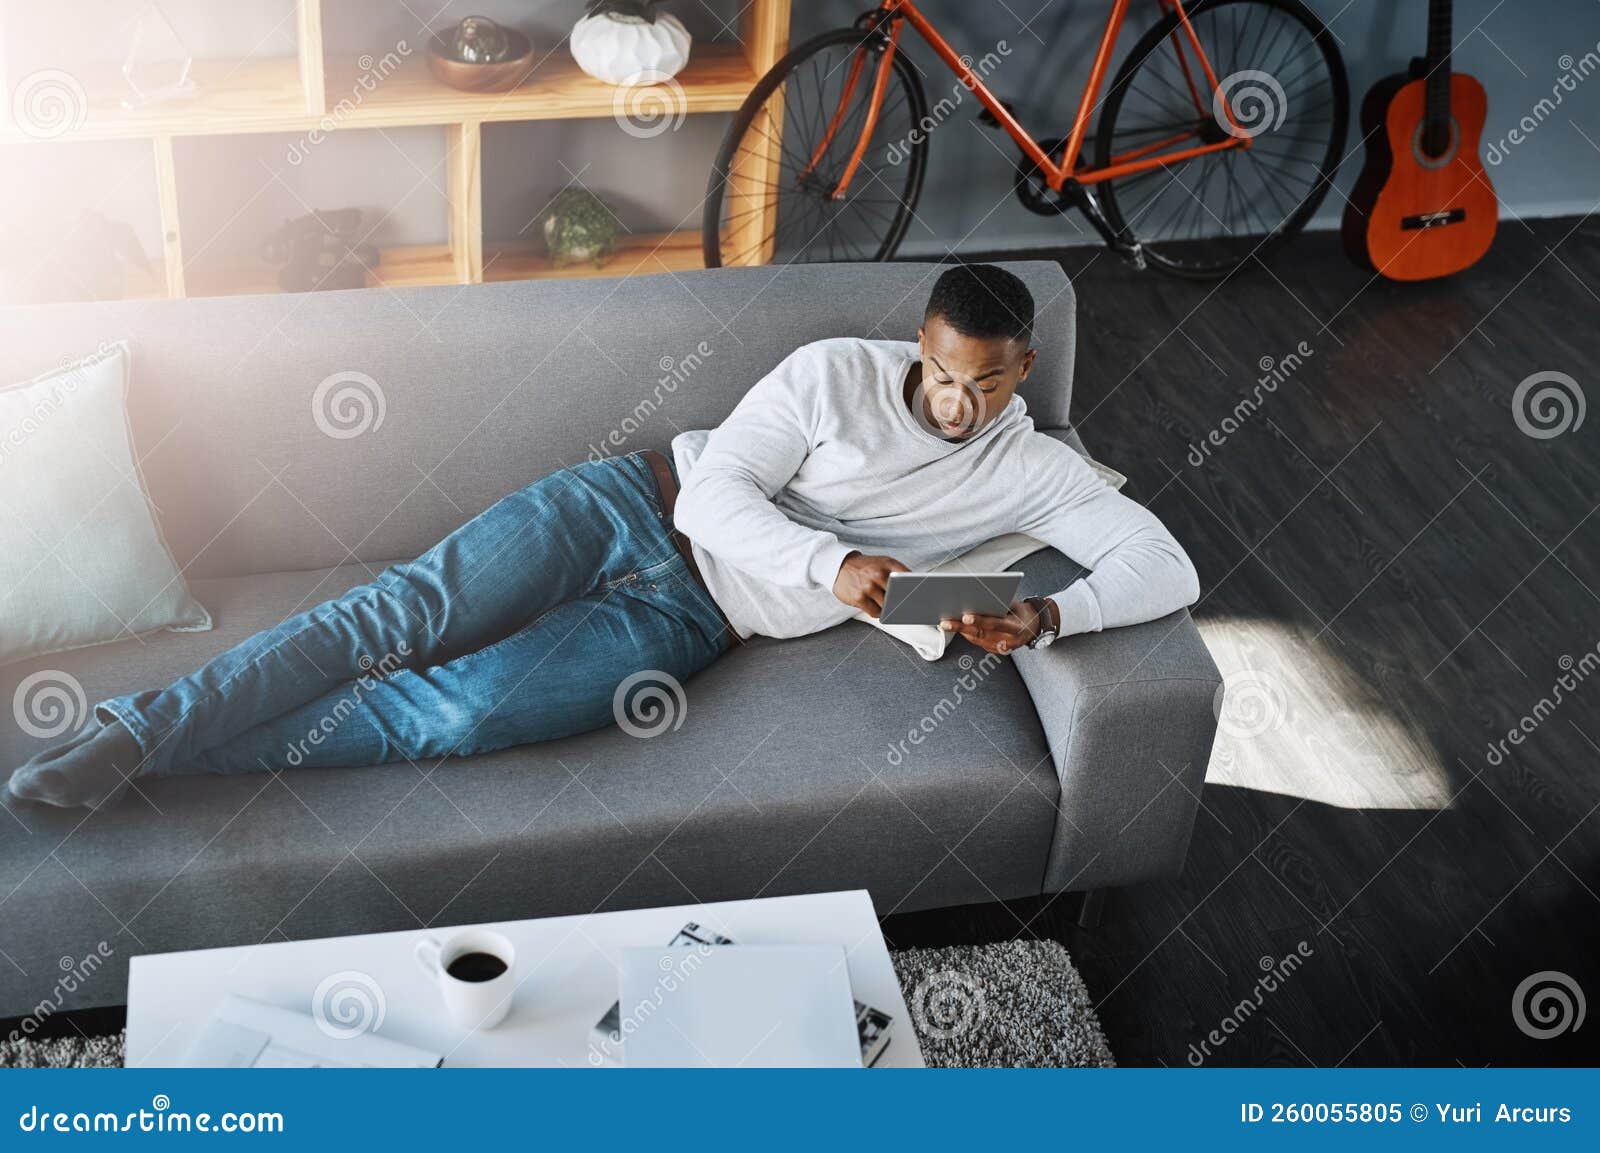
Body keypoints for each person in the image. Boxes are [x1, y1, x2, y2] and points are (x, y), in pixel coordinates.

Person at [6, 264, 1198, 809]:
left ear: (1019, 372)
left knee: (460, 714)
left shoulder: (1033, 469)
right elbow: (717, 496)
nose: (950, 406)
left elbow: (1164, 565)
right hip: (627, 503)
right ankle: (132, 729)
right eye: (937, 375)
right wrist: (831, 564)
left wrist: (1051, 613)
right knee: (395, 617)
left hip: (693, 619)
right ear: (918, 345)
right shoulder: (833, 372)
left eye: (979, 386)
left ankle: (148, 761)